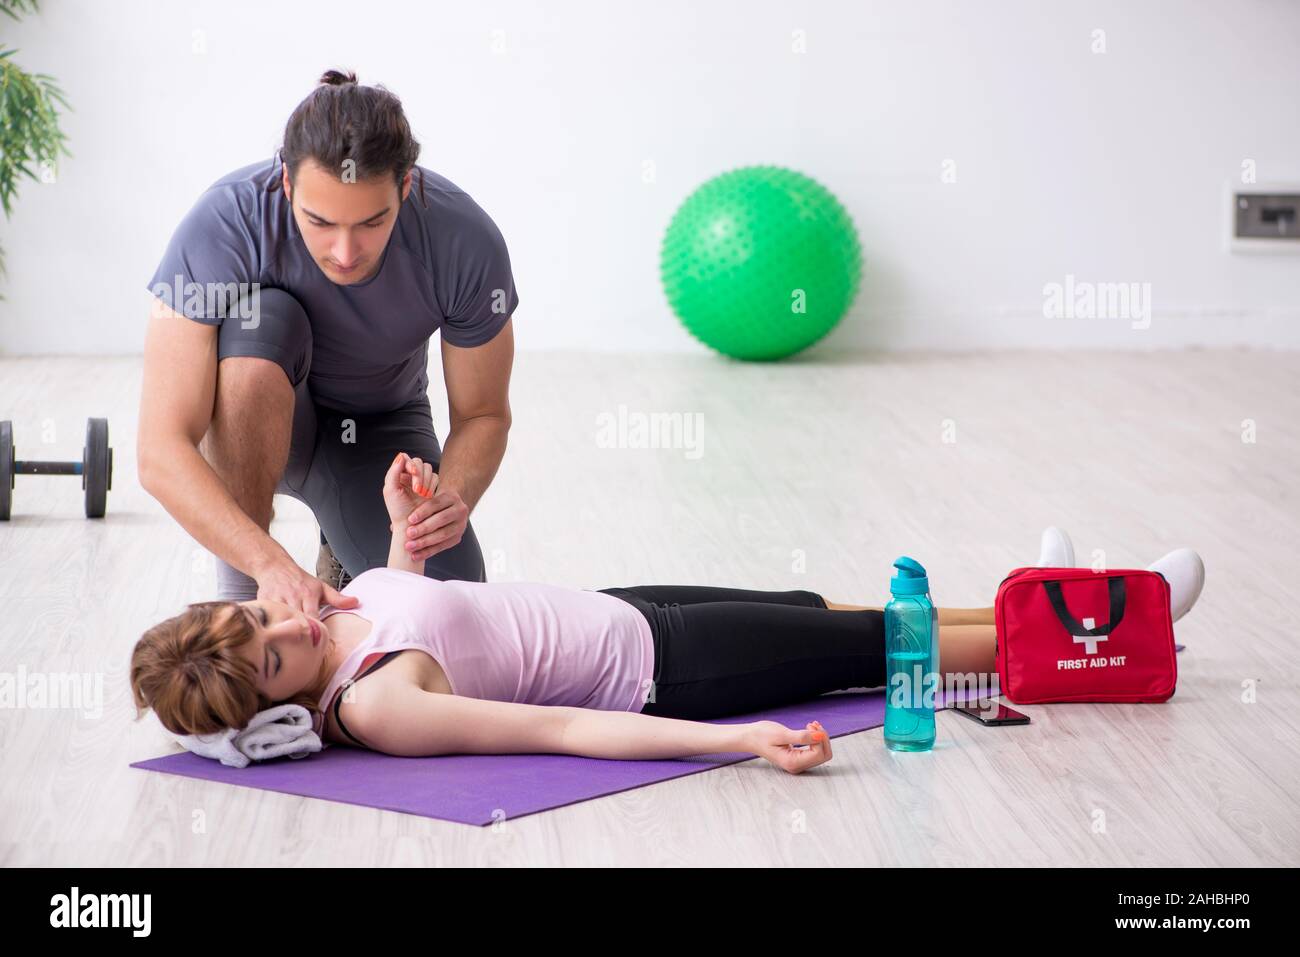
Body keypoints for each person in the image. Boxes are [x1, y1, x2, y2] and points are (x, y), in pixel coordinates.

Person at [130, 457, 1206, 776]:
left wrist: (403, 531)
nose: (293, 633)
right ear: (269, 721)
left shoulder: (330, 619)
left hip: (627, 607)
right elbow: (562, 730)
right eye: (275, 665)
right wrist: (736, 742)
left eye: (263, 628)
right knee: (885, 645)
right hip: (666, 674)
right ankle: (1124, 623)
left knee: (839, 611)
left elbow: (435, 602)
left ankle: (1045, 598)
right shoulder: (378, 709)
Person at [137, 68, 519, 620]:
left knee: (446, 611)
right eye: (319, 221)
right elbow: (160, 449)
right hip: (258, 411)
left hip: (379, 433)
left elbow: (483, 414)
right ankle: (242, 598)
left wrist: (444, 501)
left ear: (406, 186)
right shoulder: (226, 221)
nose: (344, 251)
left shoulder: (463, 239)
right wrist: (268, 566)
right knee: (264, 318)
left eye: (371, 222)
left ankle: (342, 548)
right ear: (288, 185)